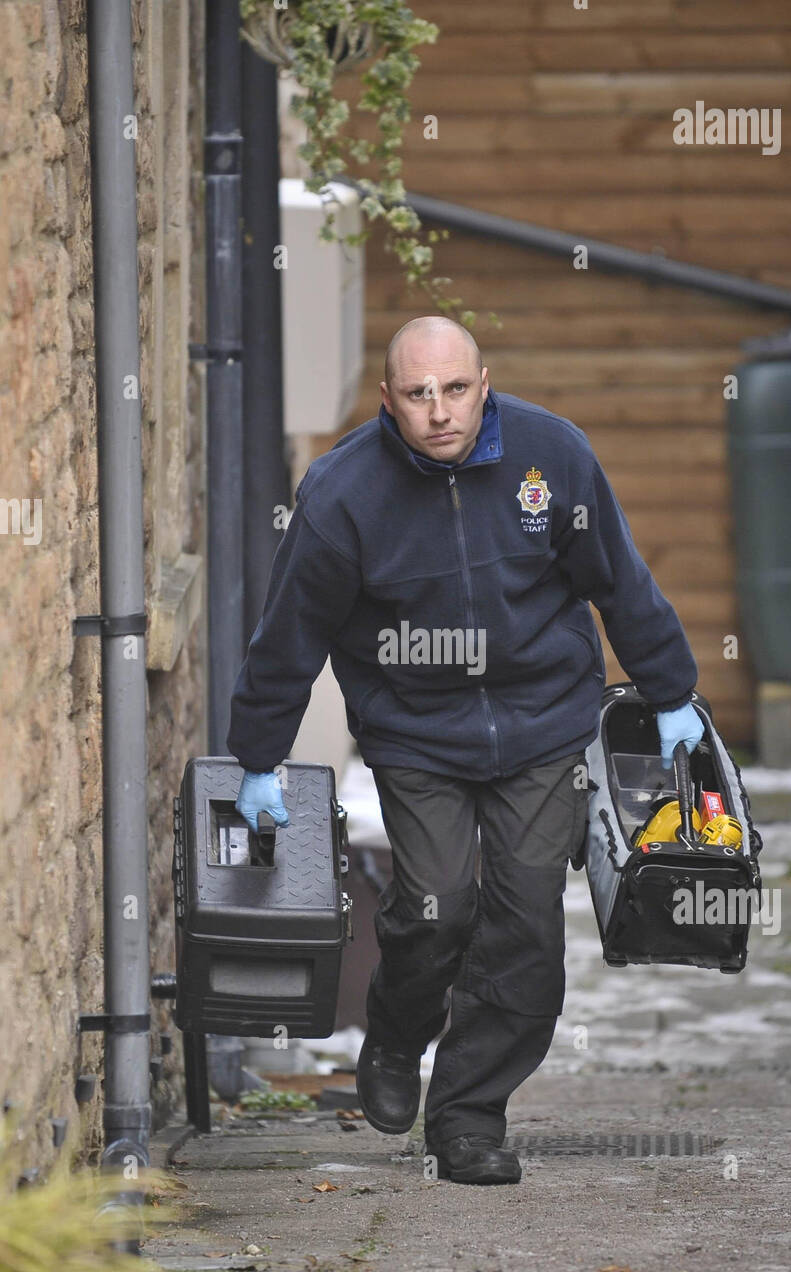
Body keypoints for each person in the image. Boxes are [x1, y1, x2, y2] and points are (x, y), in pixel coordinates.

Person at [227, 316, 703, 1184]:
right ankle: (397, 1033)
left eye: (454, 389)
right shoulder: (342, 496)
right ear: (387, 401)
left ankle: (470, 1117)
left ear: (483, 382)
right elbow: (289, 634)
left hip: (542, 723)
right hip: (417, 733)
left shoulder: (551, 455)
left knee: (526, 930)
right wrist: (256, 757)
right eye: (417, 395)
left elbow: (617, 578)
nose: (439, 411)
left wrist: (672, 693)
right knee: (439, 906)